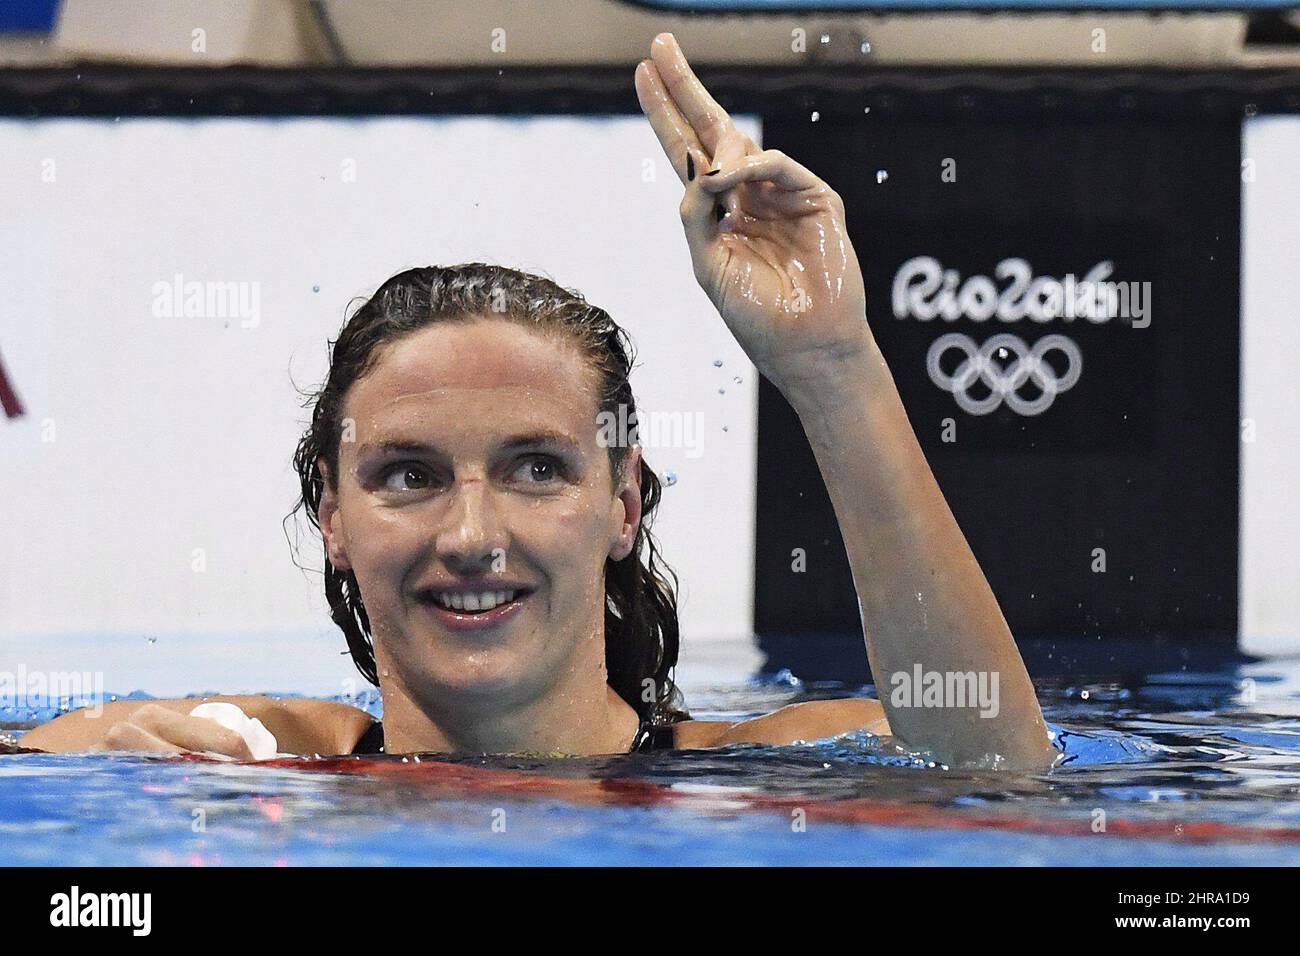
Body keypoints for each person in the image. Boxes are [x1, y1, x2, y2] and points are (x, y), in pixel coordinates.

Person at [20, 33, 1057, 770]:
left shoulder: (758, 772)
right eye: (408, 475)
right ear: (330, 514)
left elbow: (996, 776)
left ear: (625, 505)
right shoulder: (255, 756)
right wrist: (123, 764)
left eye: (537, 467)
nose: (472, 534)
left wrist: (833, 366)